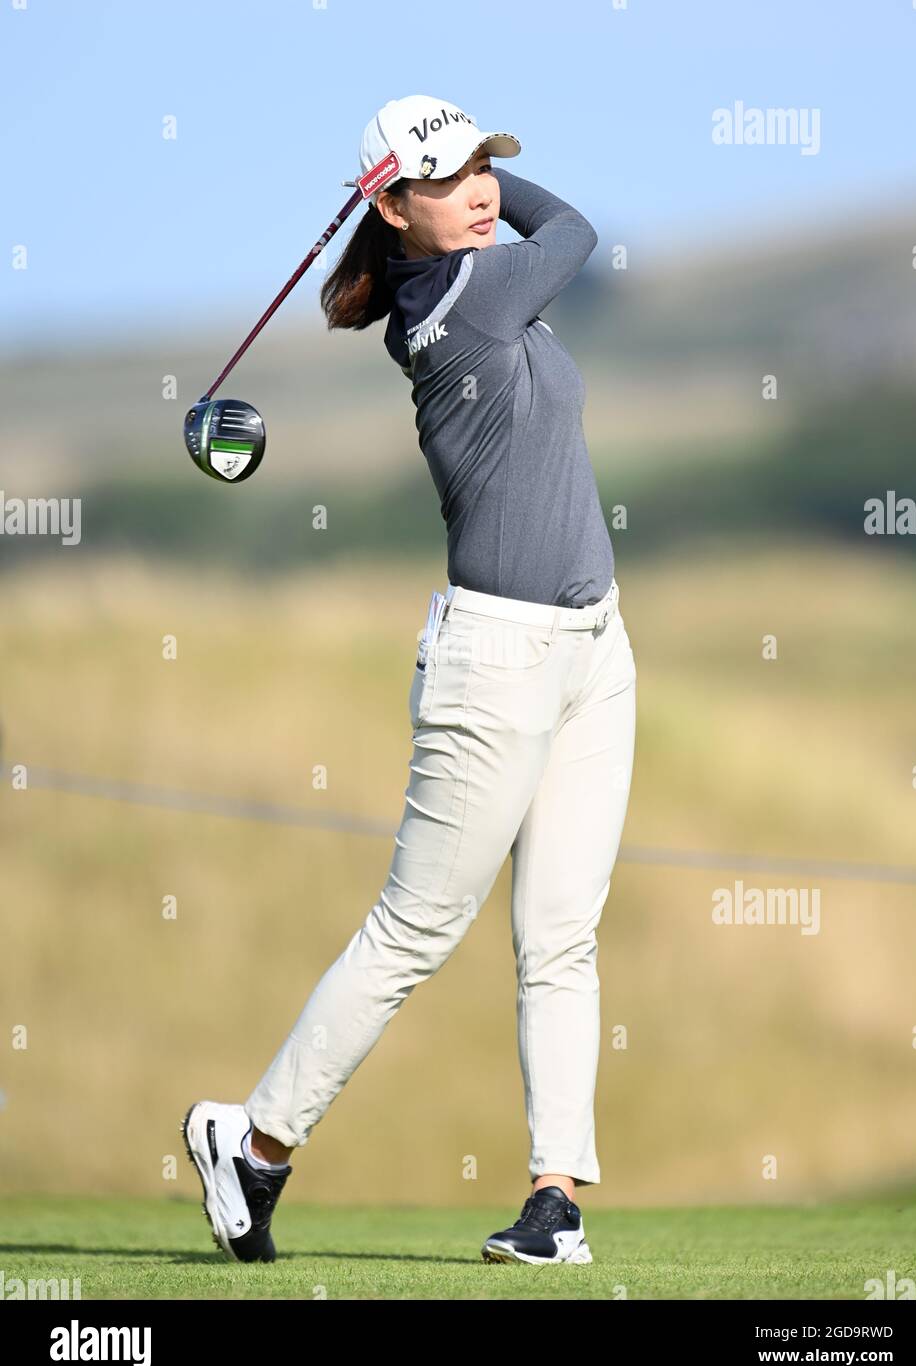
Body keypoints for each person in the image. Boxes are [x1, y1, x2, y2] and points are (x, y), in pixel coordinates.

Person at [183, 94, 637, 1268]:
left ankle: (553, 1201)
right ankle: (256, 1143)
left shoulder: (471, 277)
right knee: (414, 930)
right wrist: (444, 203)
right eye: (452, 179)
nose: (484, 190)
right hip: (495, 658)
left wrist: (446, 174)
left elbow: (531, 230)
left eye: (489, 167)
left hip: (595, 647)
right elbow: (576, 229)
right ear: (391, 204)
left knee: (561, 938)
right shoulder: (470, 295)